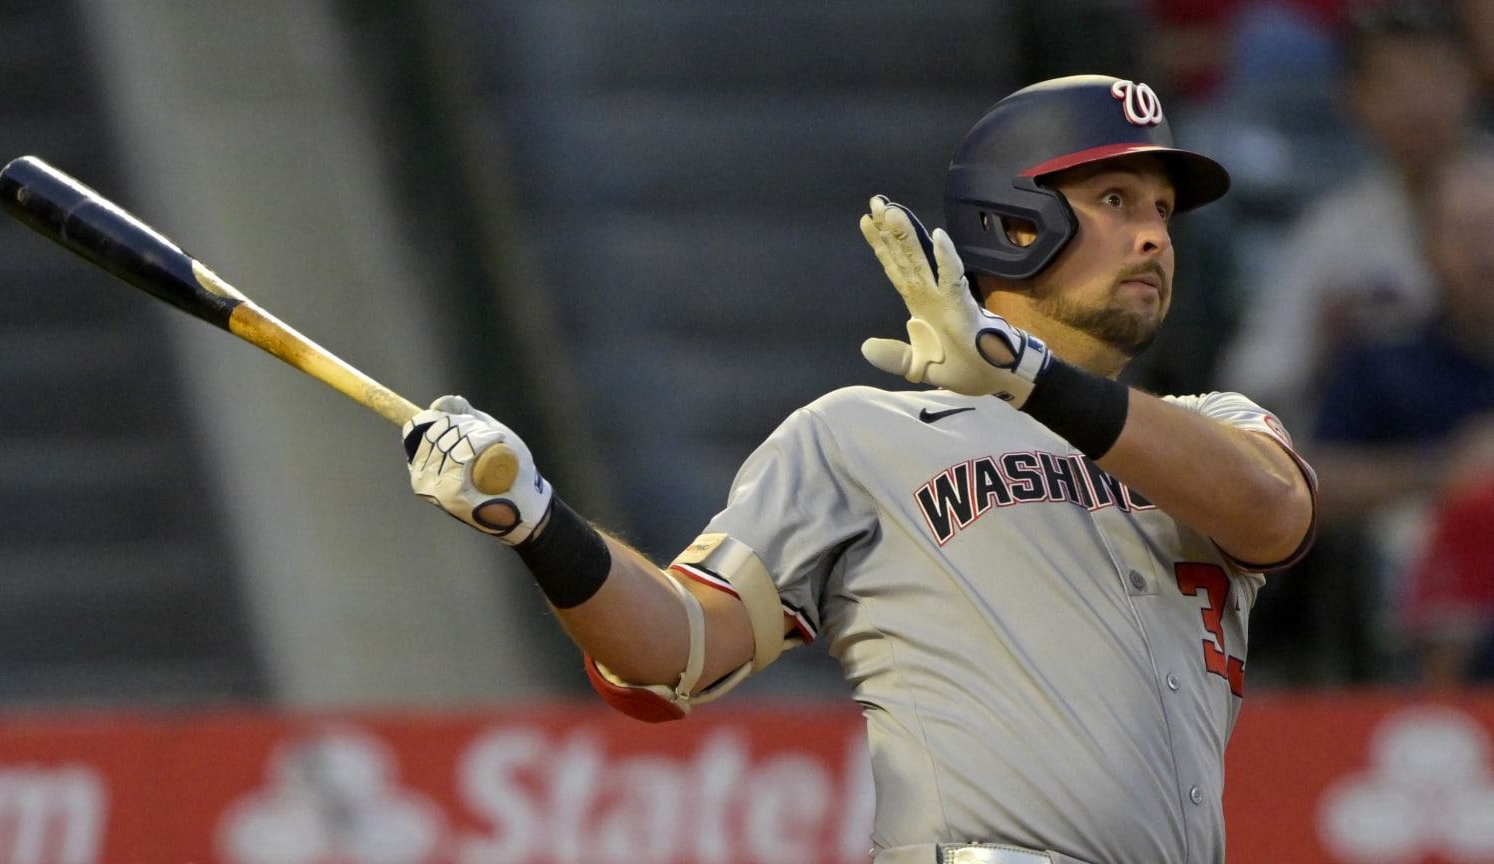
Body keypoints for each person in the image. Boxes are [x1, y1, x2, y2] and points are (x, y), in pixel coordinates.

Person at [402, 76, 1317, 864]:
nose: (1155, 236)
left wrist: (1026, 375)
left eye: (1162, 211)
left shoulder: (1215, 431)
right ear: (1015, 218)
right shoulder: (862, 436)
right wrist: (534, 517)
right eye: (1116, 200)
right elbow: (670, 657)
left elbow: (1274, 514)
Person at [1216, 0, 1485, 430]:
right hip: (1379, 465)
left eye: (1435, 72)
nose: (1419, 100)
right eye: (1395, 81)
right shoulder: (1331, 231)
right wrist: (1323, 349)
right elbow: (1252, 384)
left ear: (1473, 80)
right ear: (1354, 98)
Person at [1309, 150, 1494, 685]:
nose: (1485, 253)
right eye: (1465, 233)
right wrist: (1443, 470)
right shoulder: (1381, 360)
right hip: (1417, 614)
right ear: (1428, 249)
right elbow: (1314, 482)